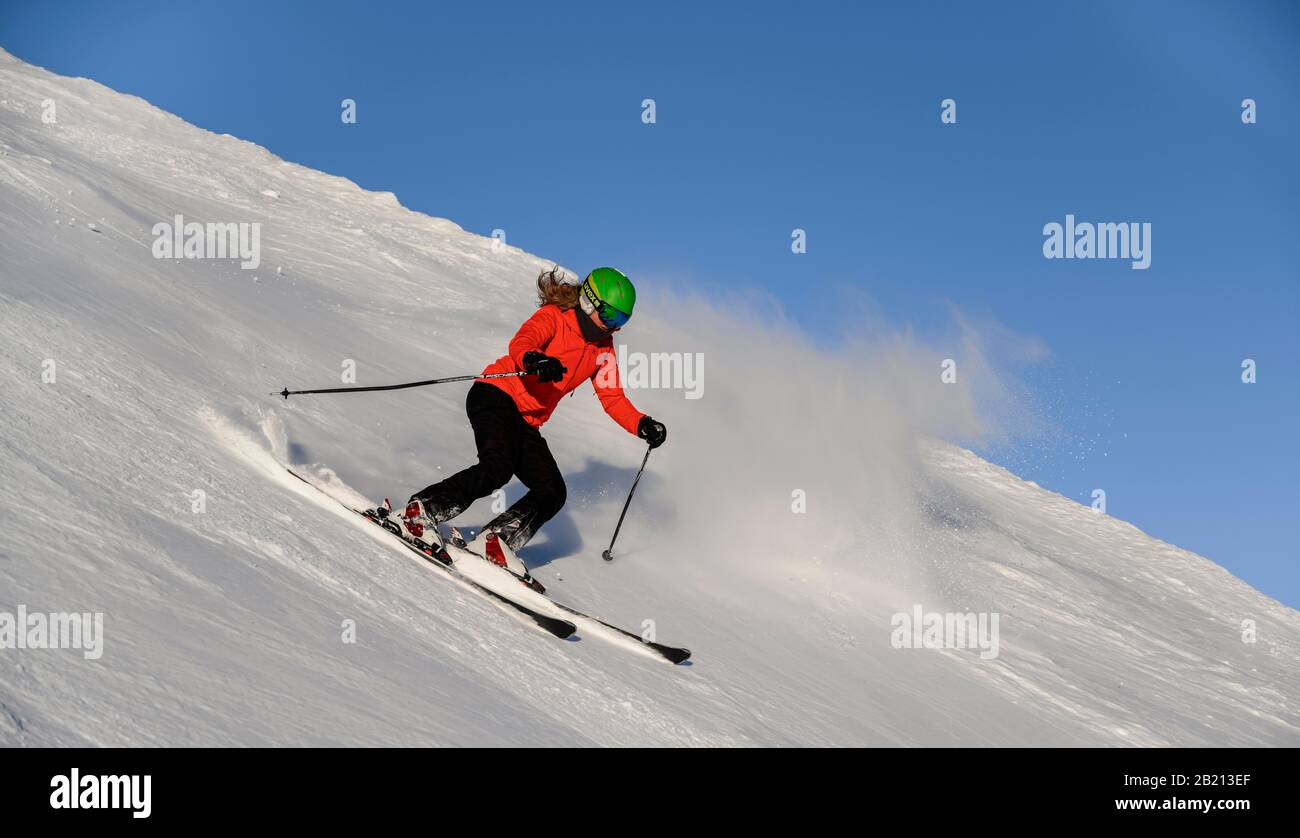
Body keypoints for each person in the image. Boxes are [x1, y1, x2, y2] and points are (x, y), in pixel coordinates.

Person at [400, 266, 667, 558]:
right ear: (589, 301)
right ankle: (421, 511)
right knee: (497, 467)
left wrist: (642, 424)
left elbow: (612, 397)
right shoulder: (555, 317)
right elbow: (523, 341)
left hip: (526, 422)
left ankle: (496, 542)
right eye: (610, 316)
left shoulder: (603, 349)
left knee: (552, 490)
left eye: (621, 320)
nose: (612, 326)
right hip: (496, 396)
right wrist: (534, 359)